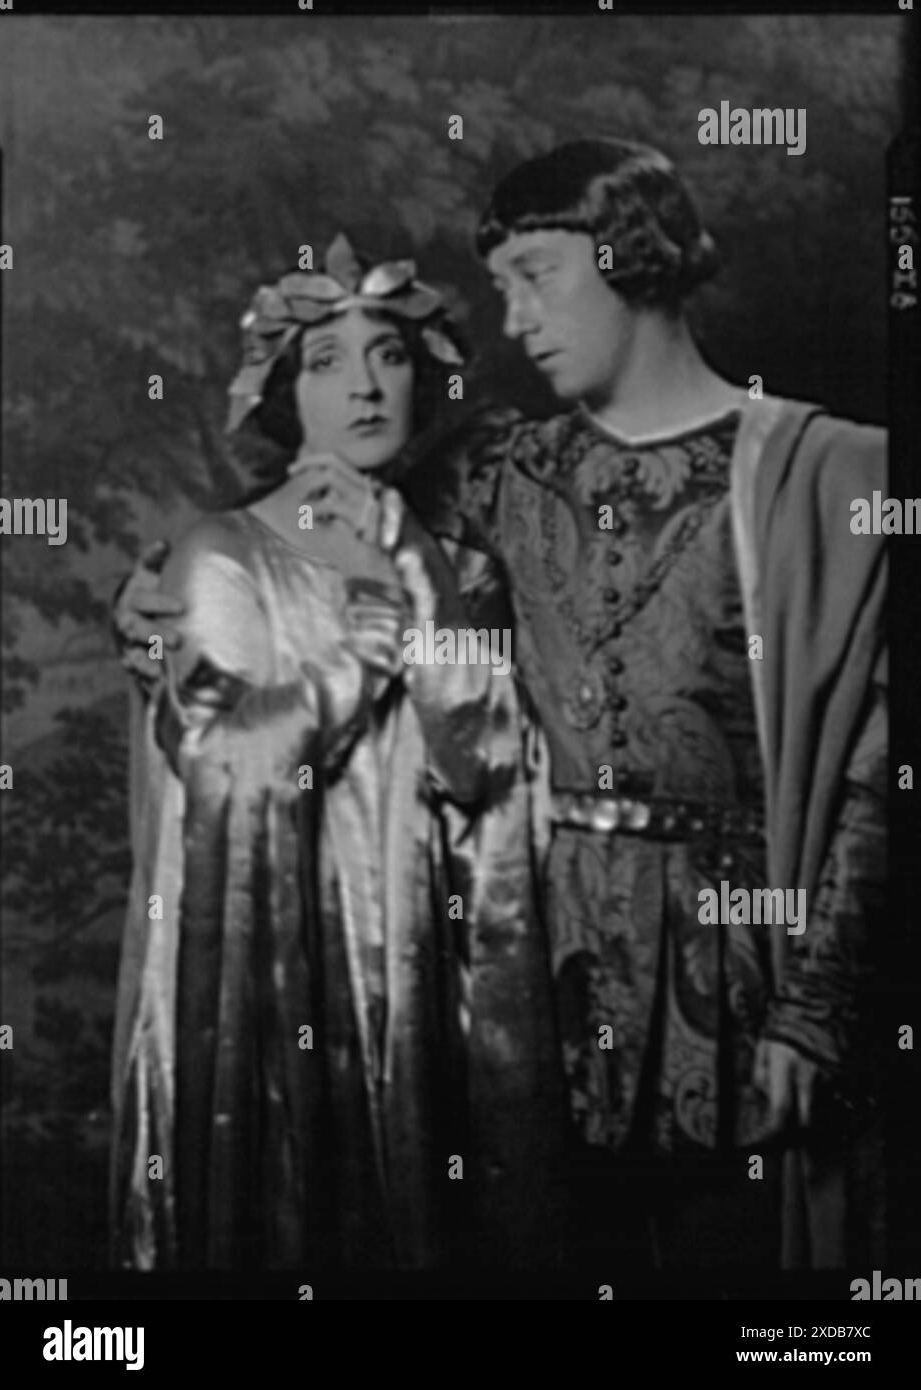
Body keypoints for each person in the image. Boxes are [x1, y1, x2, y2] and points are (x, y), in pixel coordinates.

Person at [117, 141, 888, 1274]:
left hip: (743, 978)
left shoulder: (833, 472)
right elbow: (311, 512)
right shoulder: (494, 469)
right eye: (502, 285)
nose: (513, 317)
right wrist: (157, 588)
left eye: (537, 273)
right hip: (523, 983)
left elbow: (877, 768)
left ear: (631, 252)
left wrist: (817, 1009)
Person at [109, 233, 564, 1272]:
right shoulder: (218, 553)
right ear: (283, 393)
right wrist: (356, 664)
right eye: (326, 362)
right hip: (275, 982)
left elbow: (485, 763)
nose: (365, 386)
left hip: (416, 968)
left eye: (391, 356)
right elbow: (233, 771)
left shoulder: (450, 562)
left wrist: (411, 569)